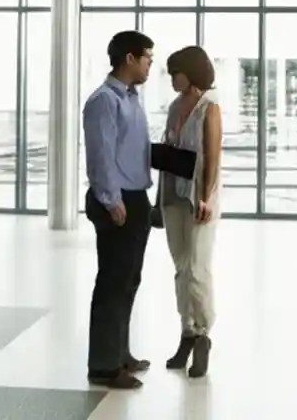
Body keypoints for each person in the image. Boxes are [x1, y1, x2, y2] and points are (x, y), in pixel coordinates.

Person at [83, 30, 156, 390]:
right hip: (117, 201)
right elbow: (101, 156)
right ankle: (103, 366)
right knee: (112, 282)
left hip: (136, 198)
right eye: (147, 59)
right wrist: (112, 201)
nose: (150, 66)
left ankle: (120, 354)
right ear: (129, 58)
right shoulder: (104, 101)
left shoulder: (131, 99)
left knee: (129, 281)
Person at [159, 46, 223, 378]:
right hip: (173, 193)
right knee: (181, 268)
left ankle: (202, 335)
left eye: (176, 72)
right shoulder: (173, 107)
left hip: (199, 196)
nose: (172, 78)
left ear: (191, 72)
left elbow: (211, 157)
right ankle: (187, 331)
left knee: (197, 268)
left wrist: (205, 197)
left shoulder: (209, 109)